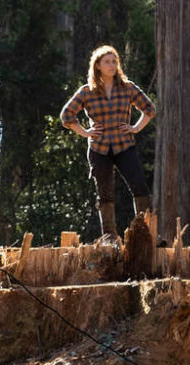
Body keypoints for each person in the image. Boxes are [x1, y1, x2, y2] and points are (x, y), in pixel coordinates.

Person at [60, 45, 155, 238]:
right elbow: (66, 116)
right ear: (97, 66)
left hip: (124, 146)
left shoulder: (128, 88)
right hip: (99, 149)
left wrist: (136, 128)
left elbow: (149, 109)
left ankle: (146, 234)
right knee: (105, 194)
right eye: (107, 62)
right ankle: (110, 237)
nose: (112, 65)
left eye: (114, 61)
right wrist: (85, 132)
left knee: (139, 186)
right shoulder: (87, 91)